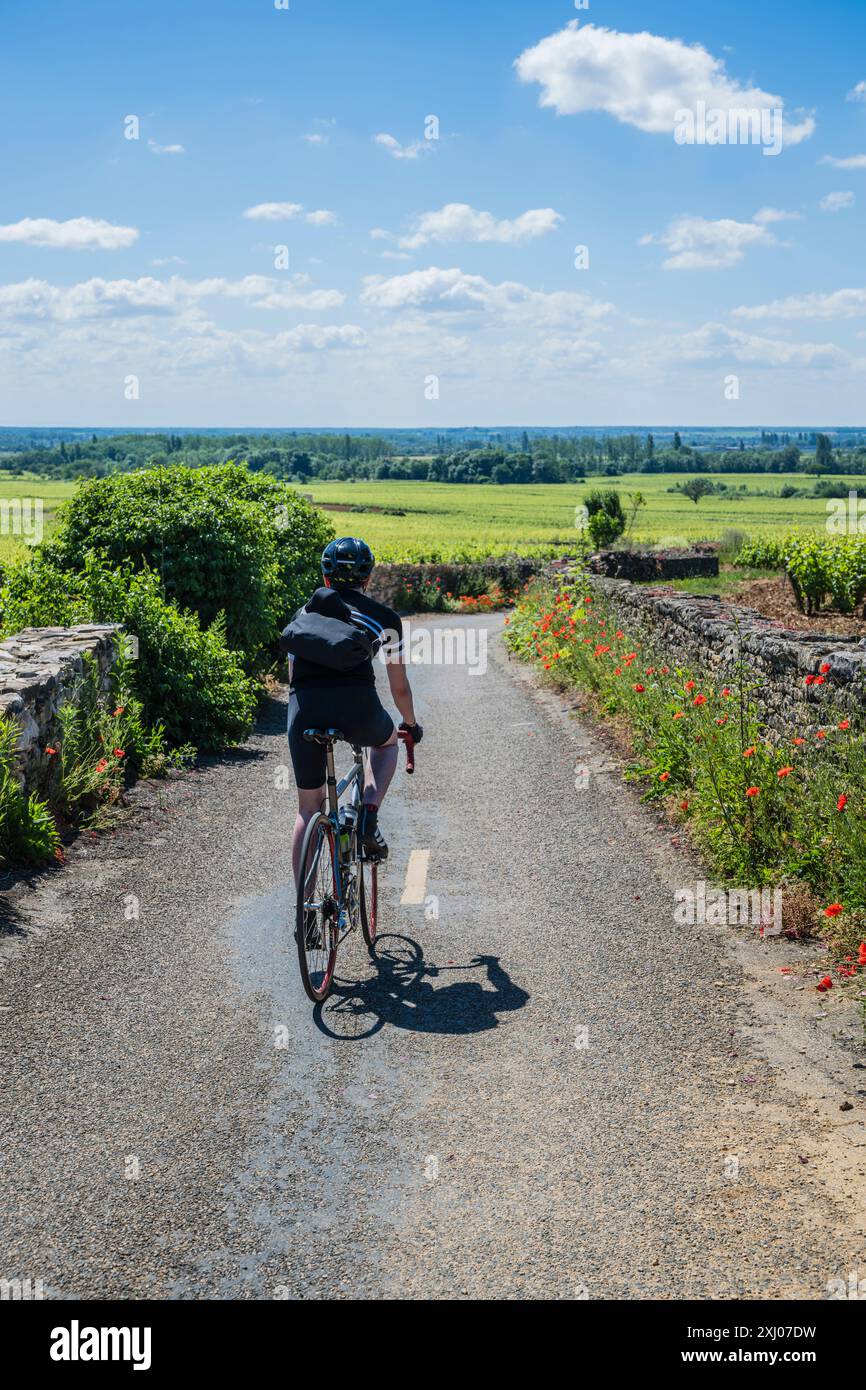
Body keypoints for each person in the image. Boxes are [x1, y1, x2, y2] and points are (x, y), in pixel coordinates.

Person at [284, 537, 422, 882]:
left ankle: (305, 915)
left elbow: (291, 678)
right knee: (387, 742)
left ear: (325, 575)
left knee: (308, 808)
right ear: (368, 577)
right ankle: (369, 813)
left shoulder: (302, 615)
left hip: (304, 711)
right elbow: (399, 687)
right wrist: (410, 724)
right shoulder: (385, 619)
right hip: (357, 708)